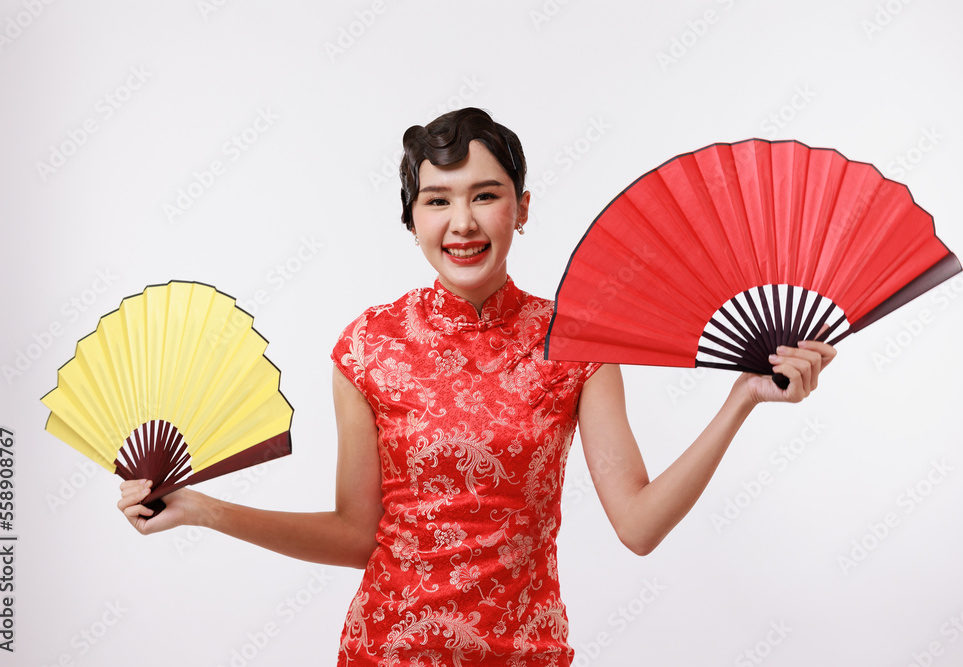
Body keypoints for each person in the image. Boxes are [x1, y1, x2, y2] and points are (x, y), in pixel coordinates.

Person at [119, 107, 835, 666]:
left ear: (521, 208)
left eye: (485, 195)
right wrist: (204, 508)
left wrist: (740, 400)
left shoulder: (576, 344)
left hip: (526, 652)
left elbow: (638, 524)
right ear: (412, 220)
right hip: (386, 650)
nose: (461, 223)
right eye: (437, 201)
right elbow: (354, 533)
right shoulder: (366, 347)